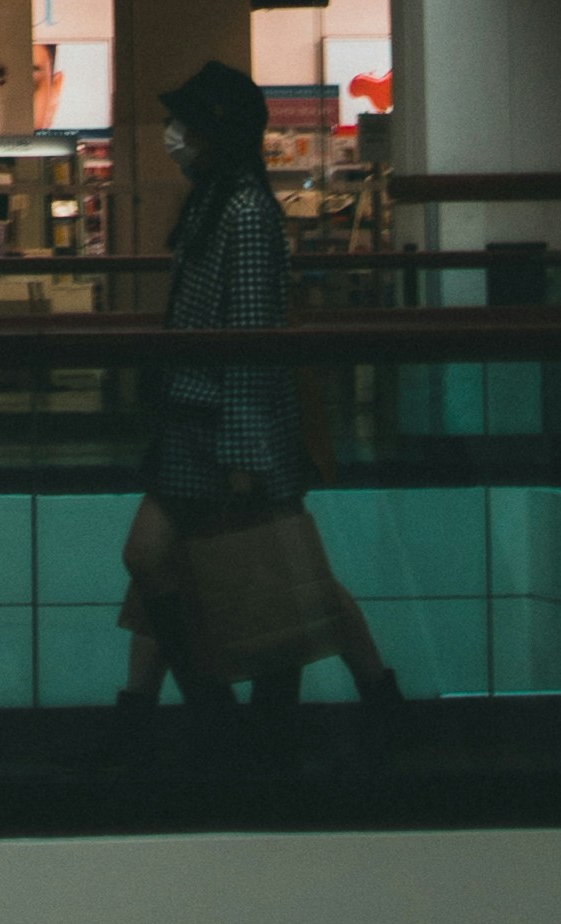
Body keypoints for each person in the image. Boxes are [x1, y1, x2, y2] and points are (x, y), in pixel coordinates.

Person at [115, 57, 408, 730]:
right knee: (234, 572)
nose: (170, 134)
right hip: (202, 428)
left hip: (221, 434)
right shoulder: (221, 202)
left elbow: (250, 337)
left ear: (214, 132)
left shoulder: (240, 212)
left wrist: (244, 456)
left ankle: (204, 714)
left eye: (181, 123)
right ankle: (365, 703)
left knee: (234, 574)